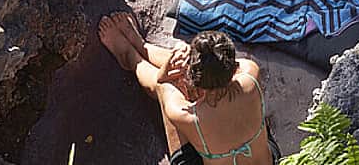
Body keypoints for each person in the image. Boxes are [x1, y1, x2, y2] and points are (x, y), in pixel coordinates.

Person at [98, 13, 279, 165]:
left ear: (195, 82)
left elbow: (162, 80)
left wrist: (174, 61)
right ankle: (143, 47)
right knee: (206, 68)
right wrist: (192, 65)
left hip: (202, 140)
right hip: (265, 160)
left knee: (169, 86)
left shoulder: (188, 117)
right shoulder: (250, 73)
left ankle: (130, 57)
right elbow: (218, 67)